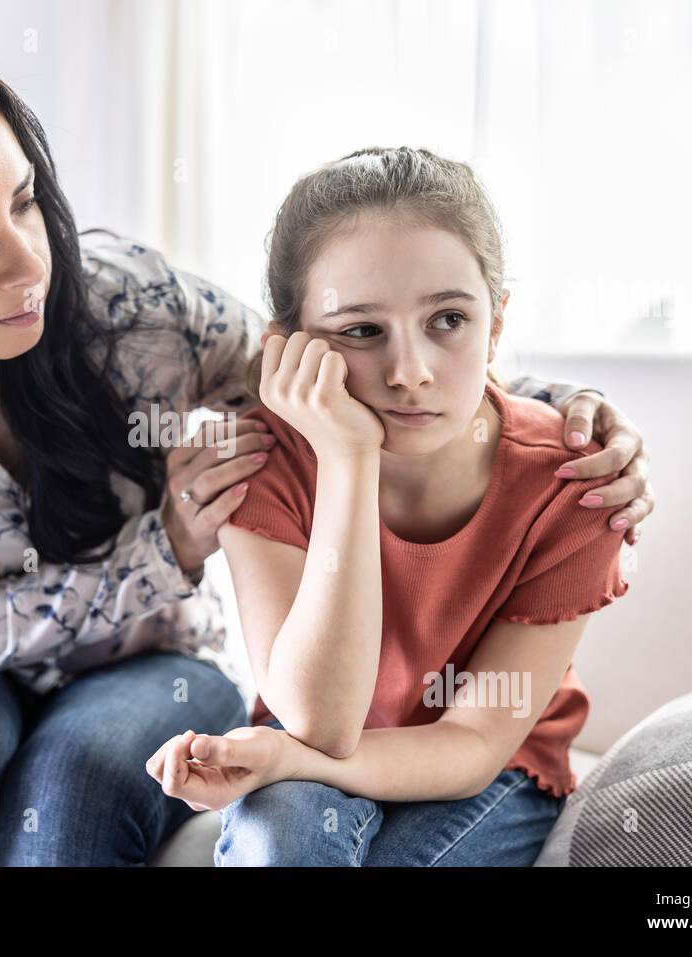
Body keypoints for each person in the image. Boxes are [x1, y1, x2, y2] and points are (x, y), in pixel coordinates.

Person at [0, 42, 653, 866]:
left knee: (74, 786)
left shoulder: (128, 305)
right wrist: (167, 548)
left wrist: (563, 413)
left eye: (22, 201)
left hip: (136, 665)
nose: (28, 263)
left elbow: (335, 363)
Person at [147, 146, 649, 867]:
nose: (410, 372)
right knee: (280, 836)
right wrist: (347, 458)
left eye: (447, 319)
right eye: (360, 330)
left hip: (485, 772)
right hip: (307, 737)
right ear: (289, 351)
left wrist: (298, 760)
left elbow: (472, 746)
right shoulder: (259, 464)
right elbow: (319, 719)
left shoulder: (575, 486)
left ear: (496, 326)